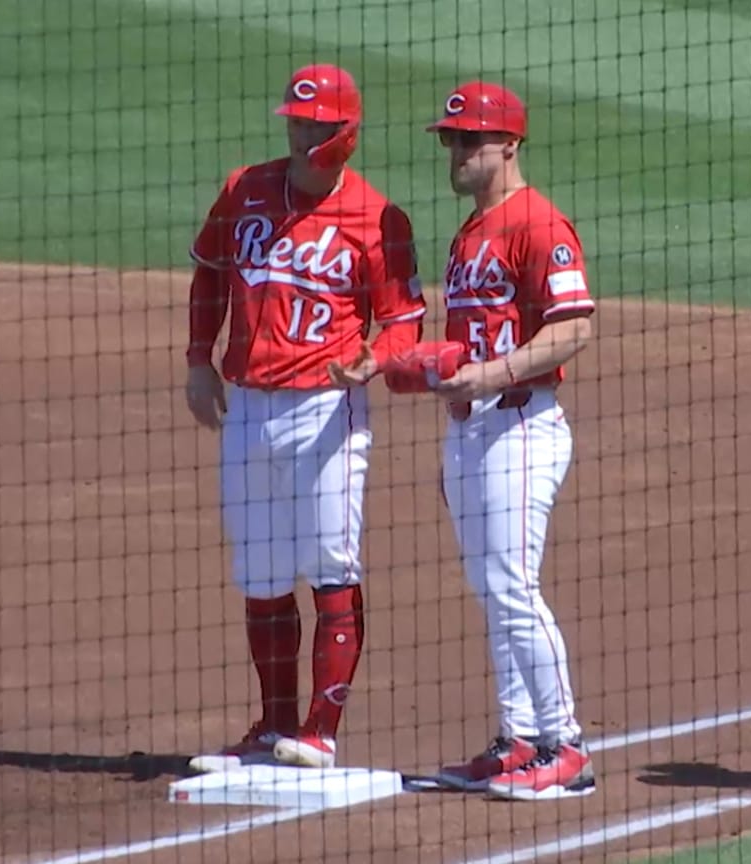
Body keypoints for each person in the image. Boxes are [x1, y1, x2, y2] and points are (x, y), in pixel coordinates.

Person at [182, 64, 427, 772]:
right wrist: (199, 358)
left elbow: (405, 318)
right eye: (294, 120)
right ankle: (272, 724)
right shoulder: (245, 188)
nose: (299, 133)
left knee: (330, 561)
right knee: (258, 569)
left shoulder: (379, 219)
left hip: (326, 409)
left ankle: (321, 729)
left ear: (343, 134)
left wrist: (376, 359)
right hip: (248, 407)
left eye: (314, 124)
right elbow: (208, 270)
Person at [406, 81, 596, 800]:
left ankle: (566, 745)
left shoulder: (538, 223)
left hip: (520, 423)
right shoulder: (469, 232)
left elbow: (574, 326)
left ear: (510, 144)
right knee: (493, 590)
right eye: (449, 139)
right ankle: (519, 739)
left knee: (513, 588)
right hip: (473, 433)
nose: (454, 152)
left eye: (467, 140)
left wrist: (490, 374)